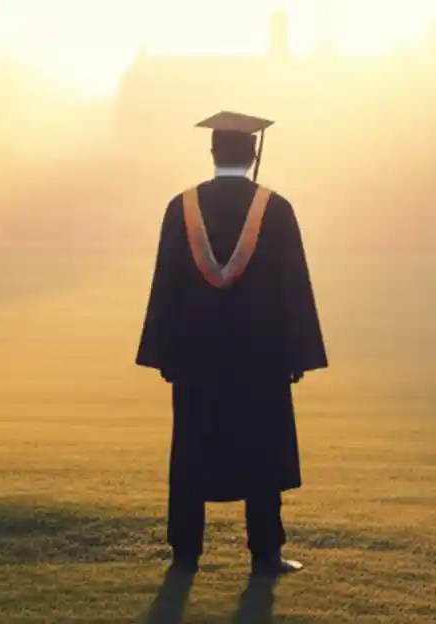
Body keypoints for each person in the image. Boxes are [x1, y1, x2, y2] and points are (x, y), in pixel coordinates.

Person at [136, 112, 328, 577]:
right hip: (259, 358)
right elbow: (293, 285)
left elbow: (167, 283)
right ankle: (265, 551)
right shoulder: (275, 208)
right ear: (254, 154)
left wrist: (165, 354)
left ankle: (185, 552)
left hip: (196, 357)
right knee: (261, 448)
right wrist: (296, 355)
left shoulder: (180, 207)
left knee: (191, 448)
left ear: (212, 153)